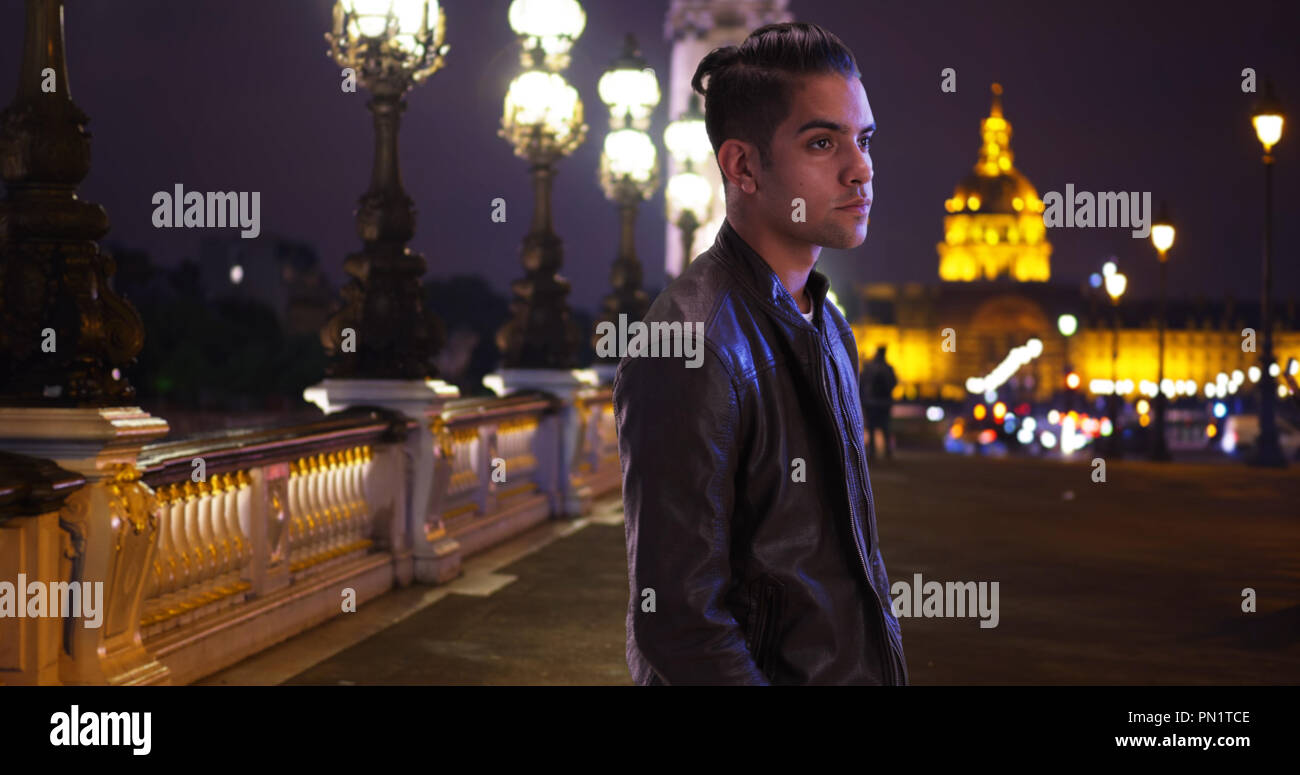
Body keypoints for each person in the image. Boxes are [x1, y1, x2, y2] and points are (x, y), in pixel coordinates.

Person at [612, 22, 908, 685]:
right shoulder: (690, 346)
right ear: (742, 166)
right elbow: (679, 622)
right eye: (823, 142)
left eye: (863, 140)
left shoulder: (830, 327)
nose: (860, 168)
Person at [860, 345, 898, 460]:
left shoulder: (870, 368)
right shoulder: (887, 368)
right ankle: (887, 452)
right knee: (884, 427)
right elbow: (894, 382)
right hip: (883, 402)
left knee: (873, 428)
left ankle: (872, 453)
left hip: (872, 402)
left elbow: (861, 382)